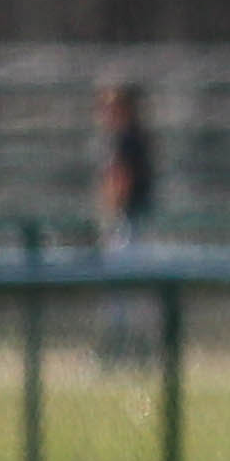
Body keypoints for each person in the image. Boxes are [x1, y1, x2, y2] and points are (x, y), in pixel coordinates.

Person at [91, 79, 159, 369]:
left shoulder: (125, 140)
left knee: (121, 294)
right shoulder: (137, 137)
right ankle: (139, 354)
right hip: (138, 222)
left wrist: (106, 213)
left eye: (110, 106)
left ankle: (118, 355)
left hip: (128, 222)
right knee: (135, 295)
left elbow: (120, 182)